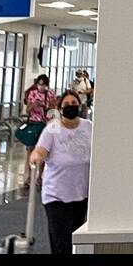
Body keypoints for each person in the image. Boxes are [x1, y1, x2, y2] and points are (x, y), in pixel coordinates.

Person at [29, 88, 92, 254]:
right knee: (61, 242)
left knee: (76, 241)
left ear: (79, 106)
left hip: (81, 195)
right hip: (56, 195)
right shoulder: (53, 128)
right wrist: (37, 157)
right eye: (67, 104)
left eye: (74, 103)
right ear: (60, 108)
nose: (71, 106)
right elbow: (41, 149)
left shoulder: (88, 127)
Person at [19, 74, 56, 186]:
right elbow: (27, 110)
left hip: (45, 125)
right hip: (34, 123)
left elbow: (54, 109)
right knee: (30, 151)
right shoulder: (32, 93)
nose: (41, 87)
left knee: (42, 151)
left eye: (43, 85)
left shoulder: (50, 94)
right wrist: (34, 105)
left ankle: (40, 176)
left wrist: (46, 106)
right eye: (39, 84)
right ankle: (28, 177)